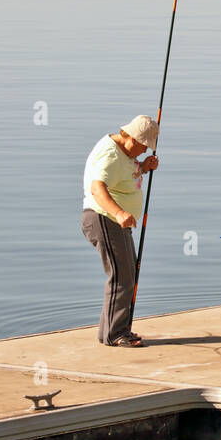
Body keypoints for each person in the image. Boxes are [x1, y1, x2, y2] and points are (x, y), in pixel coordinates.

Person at [81, 115, 159, 346]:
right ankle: (116, 334)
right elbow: (97, 188)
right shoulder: (111, 155)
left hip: (113, 222)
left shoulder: (124, 152)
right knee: (122, 276)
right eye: (143, 146)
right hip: (104, 219)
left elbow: (123, 175)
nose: (145, 151)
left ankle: (109, 331)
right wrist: (119, 213)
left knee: (127, 274)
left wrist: (143, 168)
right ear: (132, 138)